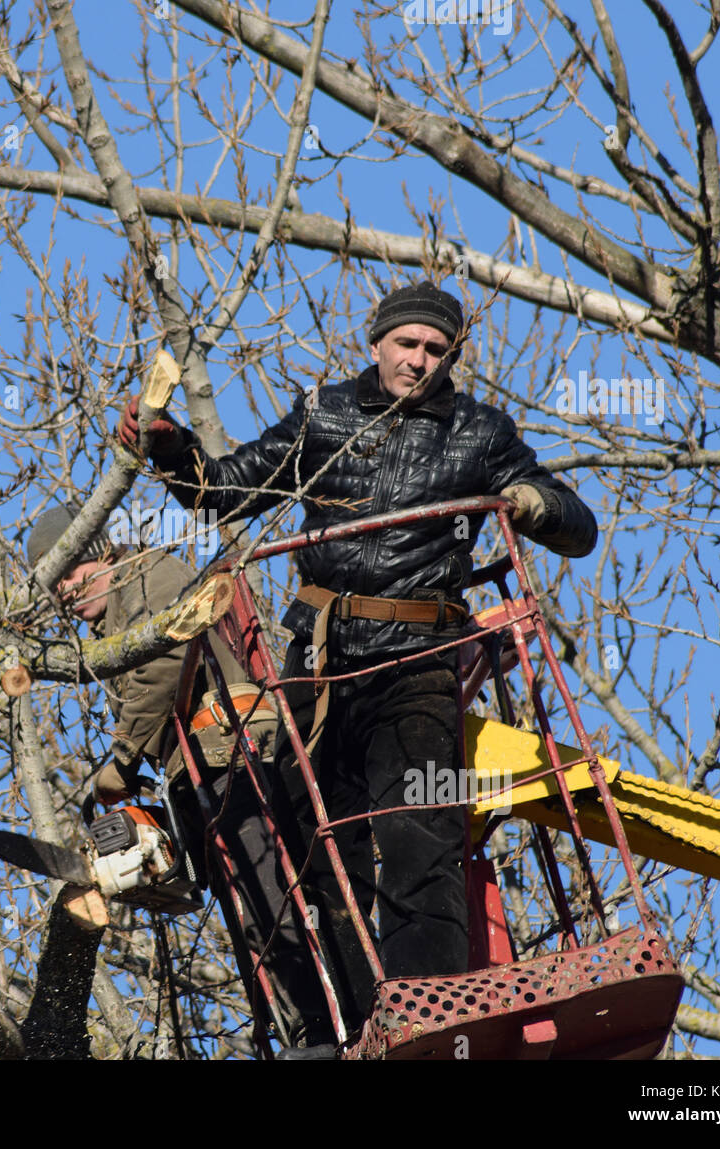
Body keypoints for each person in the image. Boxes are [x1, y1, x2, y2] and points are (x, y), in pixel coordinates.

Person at [118, 281, 598, 1050]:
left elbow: (580, 524)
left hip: (419, 662)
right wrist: (171, 449)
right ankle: (355, 1018)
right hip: (323, 666)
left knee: (417, 835)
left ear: (452, 359)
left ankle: (431, 1017)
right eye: (407, 344)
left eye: (436, 350)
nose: (419, 360)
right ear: (376, 342)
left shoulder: (480, 432)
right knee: (312, 844)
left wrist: (532, 501)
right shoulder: (326, 414)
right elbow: (226, 491)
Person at [25, 505, 304, 1044]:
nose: (65, 589)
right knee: (248, 916)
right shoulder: (111, 629)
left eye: (71, 571)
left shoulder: (152, 576)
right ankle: (293, 1034)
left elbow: (166, 660)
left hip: (235, 755)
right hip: (198, 777)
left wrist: (122, 761)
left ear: (101, 550)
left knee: (270, 899)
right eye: (52, 583)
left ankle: (318, 1023)